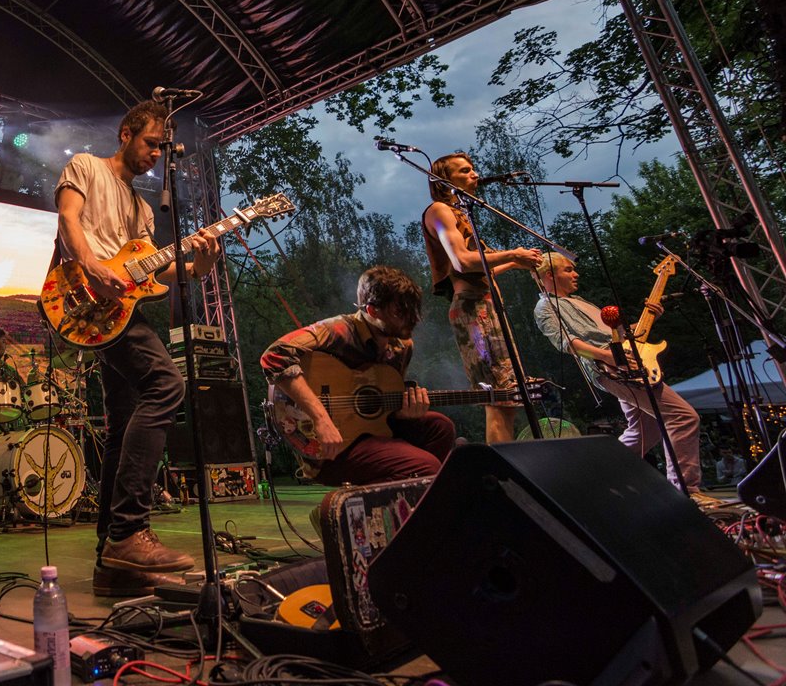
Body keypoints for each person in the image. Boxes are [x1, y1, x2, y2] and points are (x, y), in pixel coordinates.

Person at [54, 100, 220, 597]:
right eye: (150, 142)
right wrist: (92, 267)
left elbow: (151, 267)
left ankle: (113, 564)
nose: (154, 154)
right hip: (81, 295)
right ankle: (129, 529)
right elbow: (69, 220)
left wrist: (196, 267)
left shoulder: (143, 208)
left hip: (124, 310)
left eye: (161, 147)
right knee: (166, 384)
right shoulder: (85, 166)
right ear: (127, 132)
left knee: (125, 421)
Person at [261, 266, 455, 485]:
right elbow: (274, 356)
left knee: (441, 427)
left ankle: (415, 497)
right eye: (400, 312)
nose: (413, 319)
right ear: (373, 311)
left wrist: (404, 414)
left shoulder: (402, 347)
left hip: (370, 434)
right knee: (425, 466)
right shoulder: (337, 331)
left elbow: (382, 411)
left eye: (414, 310)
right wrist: (321, 418)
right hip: (330, 450)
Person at [532, 254, 704, 495]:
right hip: (611, 369)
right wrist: (605, 357)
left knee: (647, 428)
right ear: (550, 275)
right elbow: (565, 342)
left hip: (625, 364)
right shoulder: (545, 307)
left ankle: (596, 479)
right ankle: (686, 491)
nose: (576, 274)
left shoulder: (582, 302)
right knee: (683, 417)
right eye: (569, 270)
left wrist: (648, 317)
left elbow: (617, 336)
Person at [422, 152, 541, 443]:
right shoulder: (439, 209)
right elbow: (461, 262)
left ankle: (507, 469)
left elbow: (480, 267)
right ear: (444, 180)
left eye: (473, 169)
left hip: (484, 306)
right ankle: (502, 475)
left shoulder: (461, 214)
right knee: (499, 399)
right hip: (474, 310)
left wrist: (515, 263)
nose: (474, 174)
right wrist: (512, 253)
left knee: (507, 399)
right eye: (464, 170)